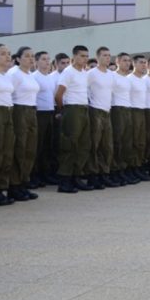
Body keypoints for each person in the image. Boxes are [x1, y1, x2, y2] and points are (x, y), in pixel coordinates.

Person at [55, 45, 94, 193]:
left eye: (86, 56)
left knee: (83, 145)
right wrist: (63, 111)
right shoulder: (68, 72)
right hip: (72, 109)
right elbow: (58, 95)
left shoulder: (84, 73)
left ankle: (76, 177)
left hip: (84, 109)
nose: (85, 59)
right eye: (82, 56)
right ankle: (64, 180)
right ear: (75, 56)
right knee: (69, 145)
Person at [8, 46, 40, 201]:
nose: (31, 59)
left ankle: (23, 182)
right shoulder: (14, 73)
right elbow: (8, 94)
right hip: (19, 110)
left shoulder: (30, 74)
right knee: (19, 148)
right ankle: (14, 185)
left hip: (32, 110)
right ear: (18, 59)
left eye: (32, 56)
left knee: (30, 149)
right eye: (27, 56)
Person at [86, 47, 118, 189]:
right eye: (104, 55)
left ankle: (104, 173)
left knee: (107, 146)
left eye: (109, 55)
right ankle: (93, 176)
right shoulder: (91, 73)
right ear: (98, 57)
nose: (107, 58)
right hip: (95, 110)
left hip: (107, 111)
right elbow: (84, 89)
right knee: (95, 144)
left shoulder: (111, 75)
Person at [31, 51, 59, 188]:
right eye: (43, 59)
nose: (47, 61)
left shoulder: (50, 77)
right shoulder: (34, 77)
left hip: (50, 113)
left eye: (48, 59)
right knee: (38, 145)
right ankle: (34, 174)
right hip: (39, 113)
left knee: (48, 145)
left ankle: (45, 173)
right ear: (36, 62)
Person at [110, 53, 139, 185]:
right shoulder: (112, 76)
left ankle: (123, 169)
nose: (127, 63)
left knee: (127, 142)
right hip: (117, 109)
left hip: (128, 109)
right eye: (124, 60)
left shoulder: (127, 78)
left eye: (129, 61)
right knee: (118, 142)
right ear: (117, 62)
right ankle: (114, 171)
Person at [128, 55, 150, 180]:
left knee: (142, 142)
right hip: (133, 111)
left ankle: (138, 166)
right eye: (141, 62)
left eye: (145, 63)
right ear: (134, 64)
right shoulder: (129, 79)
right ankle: (131, 168)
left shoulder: (143, 80)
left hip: (143, 111)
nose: (144, 65)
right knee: (134, 141)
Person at [0, 44, 15, 205]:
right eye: (3, 53)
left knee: (7, 152)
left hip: (8, 112)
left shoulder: (6, 75)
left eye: (9, 53)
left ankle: (2, 188)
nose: (7, 56)